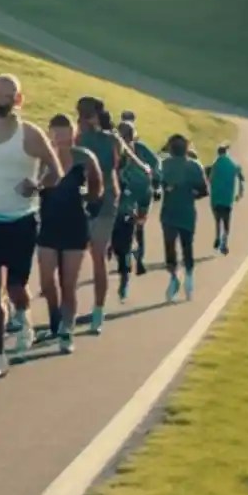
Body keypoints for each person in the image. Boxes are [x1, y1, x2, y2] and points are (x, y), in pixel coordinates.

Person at [0, 74, 61, 378]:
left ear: (18, 100)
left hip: (22, 220)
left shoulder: (29, 134)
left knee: (16, 287)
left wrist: (35, 184)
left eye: (9, 95)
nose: (2, 100)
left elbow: (55, 171)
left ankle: (23, 315)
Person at [75, 96, 149, 335]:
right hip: (83, 200)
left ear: (96, 115)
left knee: (97, 253)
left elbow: (136, 163)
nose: (81, 118)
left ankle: (98, 310)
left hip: (107, 201)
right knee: (79, 253)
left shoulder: (109, 139)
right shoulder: (78, 138)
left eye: (85, 114)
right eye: (79, 113)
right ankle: (73, 310)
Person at [36, 115, 102, 354]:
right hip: (49, 225)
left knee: (69, 283)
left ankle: (67, 329)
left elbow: (97, 185)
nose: (61, 137)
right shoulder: (42, 158)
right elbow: (33, 185)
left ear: (74, 133)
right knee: (46, 281)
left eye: (65, 132)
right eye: (56, 132)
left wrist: (88, 202)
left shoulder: (84, 157)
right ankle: (55, 316)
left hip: (75, 225)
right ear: (50, 133)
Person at [159, 134, 208, 302]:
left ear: (171, 149)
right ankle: (188, 278)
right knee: (187, 246)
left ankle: (174, 278)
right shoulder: (195, 166)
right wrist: (190, 194)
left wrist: (167, 189)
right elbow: (204, 191)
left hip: (169, 213)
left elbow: (158, 186)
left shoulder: (164, 165)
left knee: (170, 247)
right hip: (187, 212)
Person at [112, 121, 153, 303]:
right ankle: (129, 262)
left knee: (123, 249)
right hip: (107, 212)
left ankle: (124, 279)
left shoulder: (138, 170)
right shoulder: (107, 159)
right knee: (116, 248)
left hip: (126, 213)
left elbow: (145, 187)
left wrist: (142, 212)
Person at [116, 118, 161, 275]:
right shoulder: (140, 147)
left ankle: (128, 256)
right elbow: (156, 162)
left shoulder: (117, 149)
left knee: (127, 223)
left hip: (128, 192)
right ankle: (139, 258)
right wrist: (156, 182)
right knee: (139, 226)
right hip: (143, 191)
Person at [208, 143, 245, 254]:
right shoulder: (233, 165)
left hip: (216, 197)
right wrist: (240, 193)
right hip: (227, 198)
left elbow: (210, 179)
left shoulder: (215, 164)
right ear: (226, 152)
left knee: (217, 219)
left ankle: (217, 237)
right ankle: (224, 241)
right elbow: (241, 179)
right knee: (226, 222)